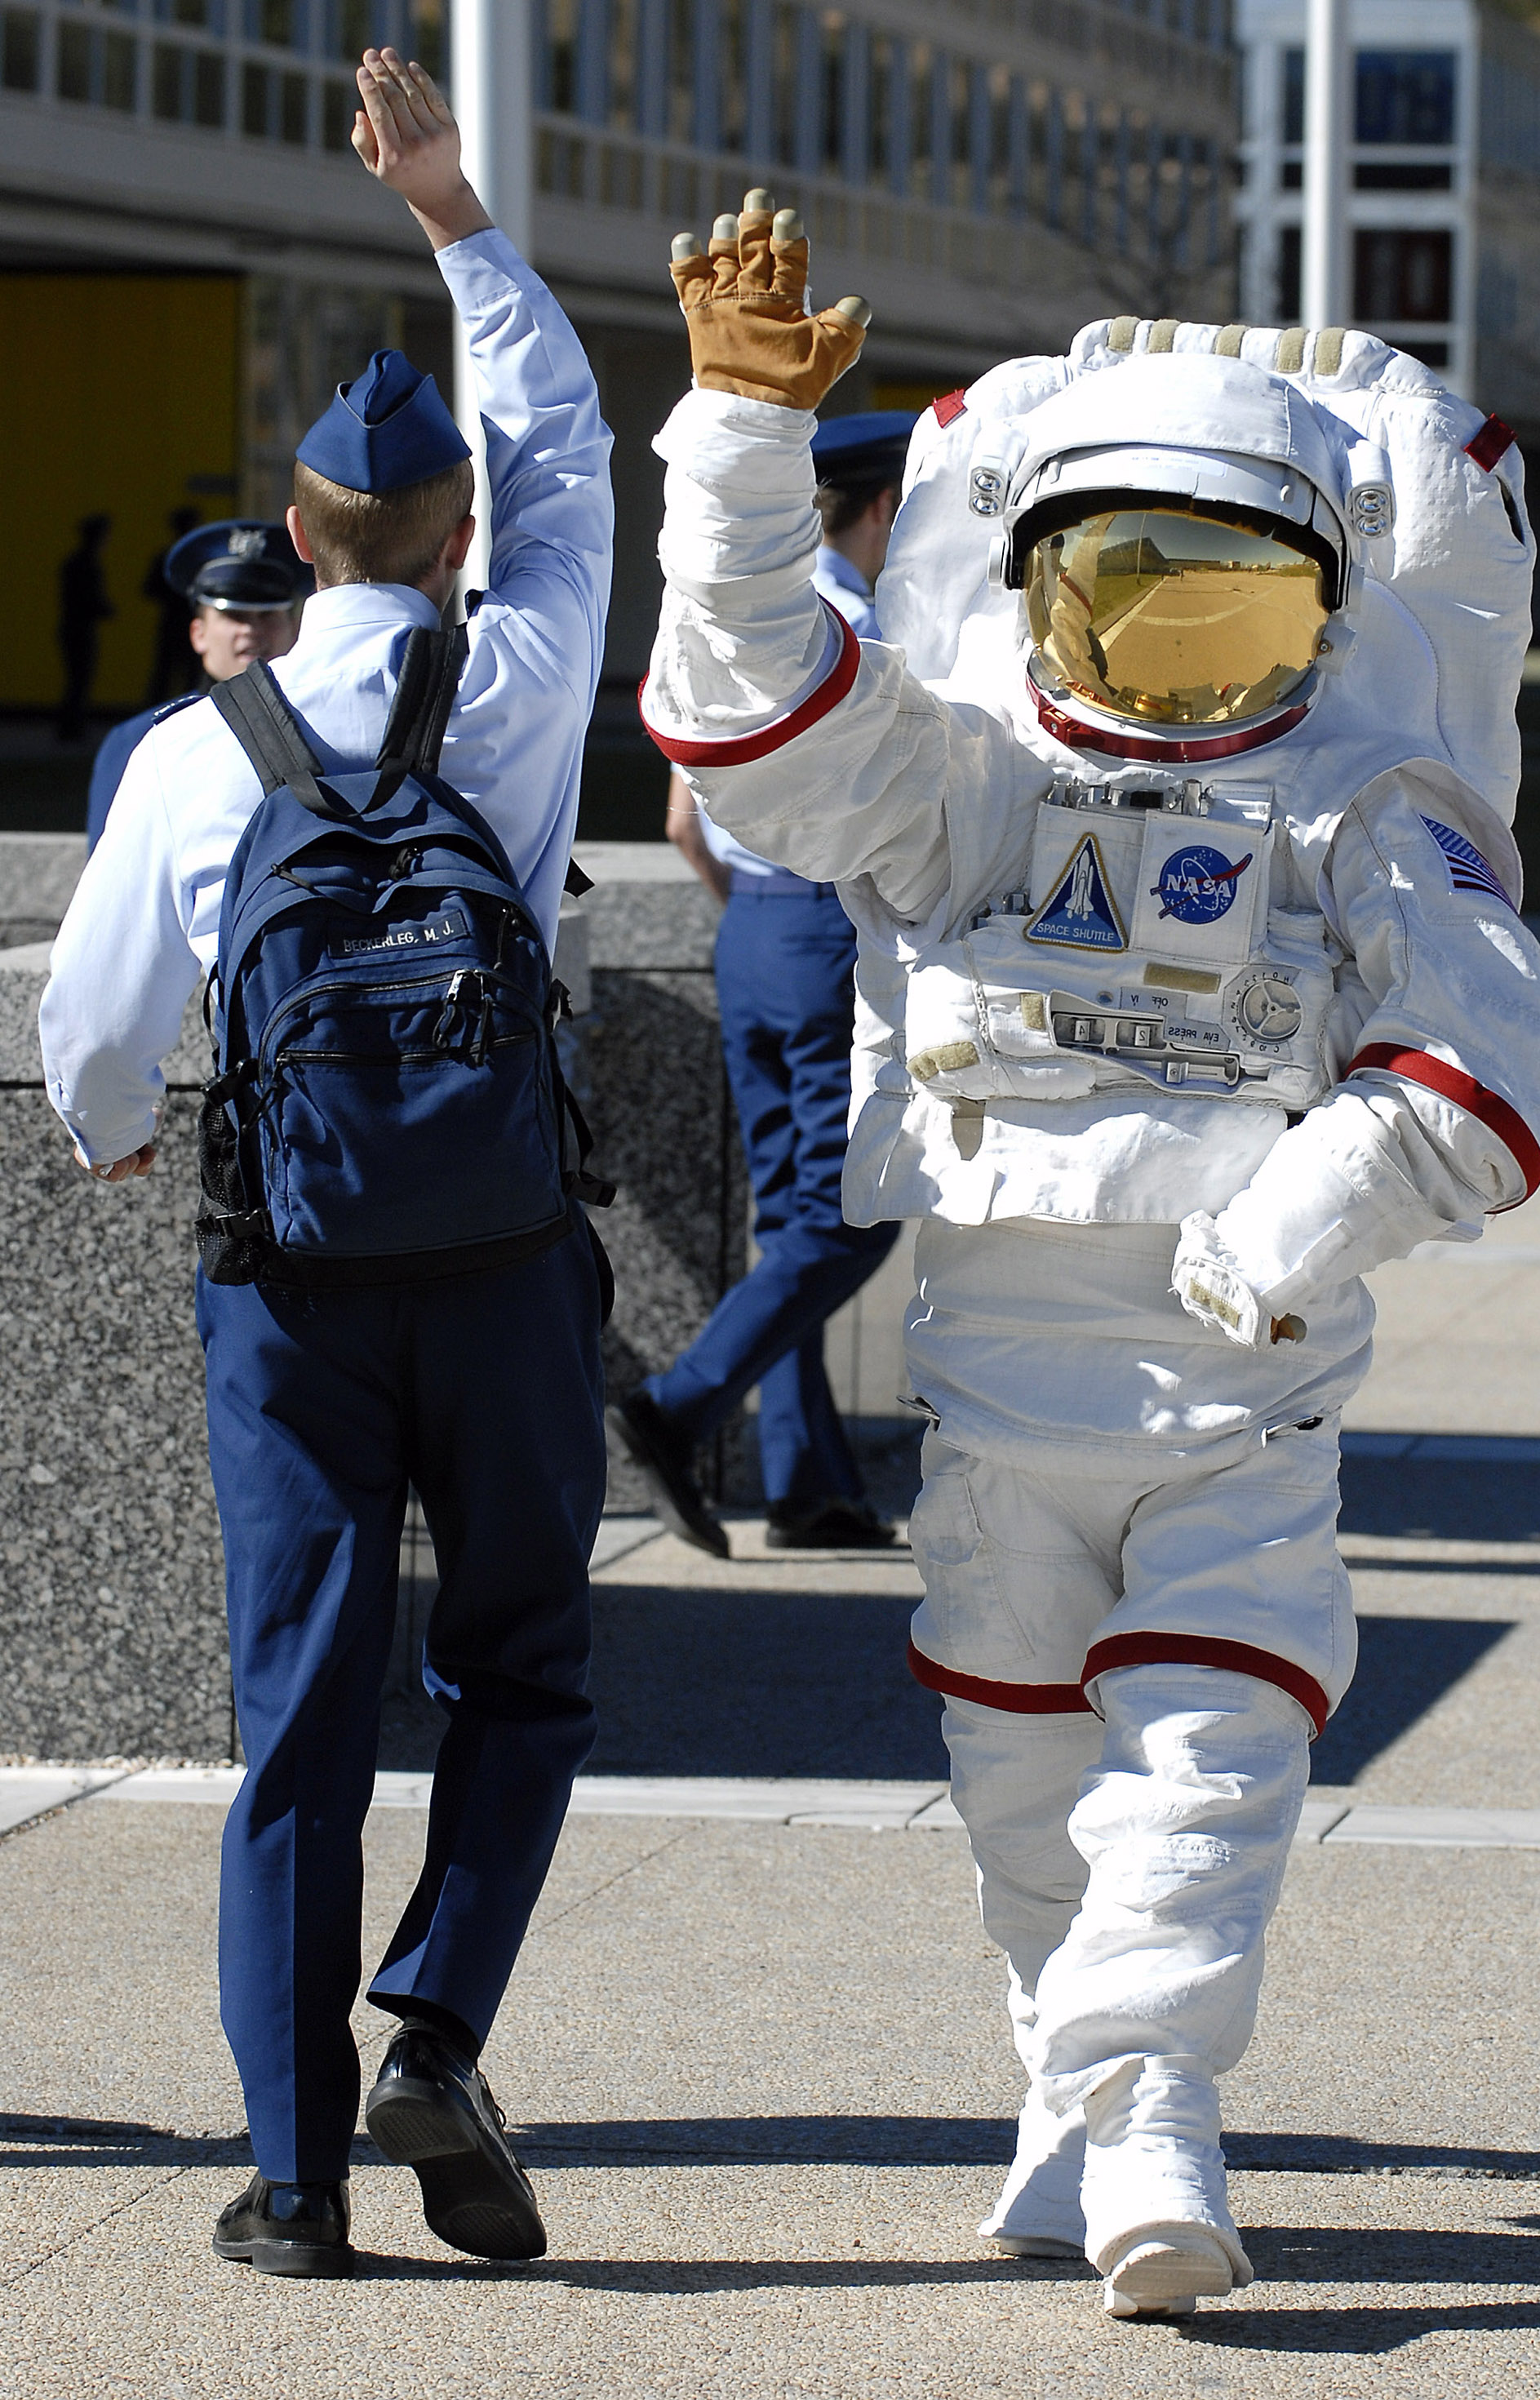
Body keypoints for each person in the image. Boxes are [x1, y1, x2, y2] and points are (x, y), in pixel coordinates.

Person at [638, 196, 1540, 2316]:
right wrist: (740, 448)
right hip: (997, 1386)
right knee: (1023, 1774)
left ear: (1322, 608)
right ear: (1037, 584)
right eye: (1123, 594)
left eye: (1222, 605)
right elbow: (760, 720)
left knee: (1216, 1753)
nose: (1165, 653)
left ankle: (1149, 2101)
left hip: (1236, 1393)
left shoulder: (1361, 795)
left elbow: (1483, 1043)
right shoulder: (968, 772)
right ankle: (1074, 2092)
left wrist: (1290, 1222)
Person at [39, 48, 614, 2279]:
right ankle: (440, 2020)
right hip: (504, 1256)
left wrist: (114, 1136)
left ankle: (292, 2181)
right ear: (455, 539)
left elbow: (90, 1031)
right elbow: (564, 451)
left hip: (280, 1273)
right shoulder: (531, 672)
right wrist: (454, 213)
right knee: (526, 1661)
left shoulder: (195, 754)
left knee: (300, 1710)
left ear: (291, 544)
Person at [612, 412, 916, 1557]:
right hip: (827, 926)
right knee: (849, 1225)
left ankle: (809, 1484)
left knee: (793, 1219)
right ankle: (678, 1406)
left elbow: (685, 815)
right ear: (881, 508)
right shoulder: (854, 630)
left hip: (752, 933)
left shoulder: (735, 623)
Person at [87, 520, 308, 852]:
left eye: (266, 615)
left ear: (294, 628)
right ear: (198, 633)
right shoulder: (140, 740)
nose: (250, 631)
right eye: (234, 615)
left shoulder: (322, 726)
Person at [55, 513, 114, 742]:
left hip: (72, 627)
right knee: (79, 679)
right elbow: (86, 599)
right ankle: (71, 729)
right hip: (80, 629)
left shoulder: (74, 563)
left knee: (76, 679)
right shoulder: (88, 565)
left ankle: (70, 727)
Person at [142, 504, 202, 704]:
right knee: (177, 676)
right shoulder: (195, 559)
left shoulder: (167, 557)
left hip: (176, 622)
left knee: (169, 675)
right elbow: (149, 589)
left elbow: (148, 589)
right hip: (184, 621)